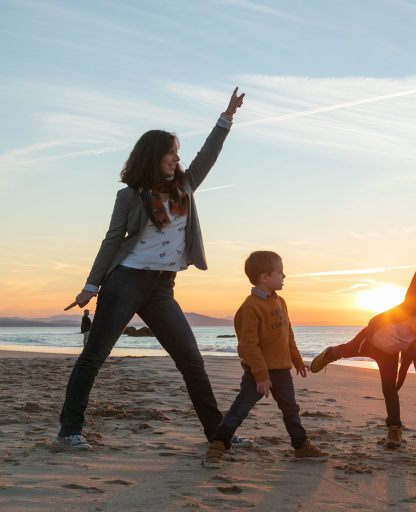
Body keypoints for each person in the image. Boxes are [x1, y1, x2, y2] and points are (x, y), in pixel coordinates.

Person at [57, 88, 245, 450]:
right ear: (154, 156)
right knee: (93, 357)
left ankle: (218, 434)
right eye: (171, 152)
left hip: (162, 288)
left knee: (191, 360)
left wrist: (227, 117)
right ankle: (69, 431)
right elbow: (112, 240)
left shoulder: (186, 187)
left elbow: (210, 153)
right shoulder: (129, 196)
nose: (177, 158)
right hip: (124, 281)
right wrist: (91, 286)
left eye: (178, 153)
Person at [310, 238, 416, 448]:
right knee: (346, 350)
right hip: (370, 339)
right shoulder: (407, 307)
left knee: (389, 390)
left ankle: (394, 430)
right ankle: (329, 354)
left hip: (388, 355)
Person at [203, 251, 328, 467]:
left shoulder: (281, 302)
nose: (284, 276)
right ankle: (217, 447)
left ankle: (301, 446)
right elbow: (248, 345)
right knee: (240, 410)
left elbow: (288, 335)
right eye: (279, 272)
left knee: (291, 410)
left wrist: (297, 360)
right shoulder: (251, 307)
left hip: (282, 371)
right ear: (264, 277)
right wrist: (261, 375)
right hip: (257, 373)